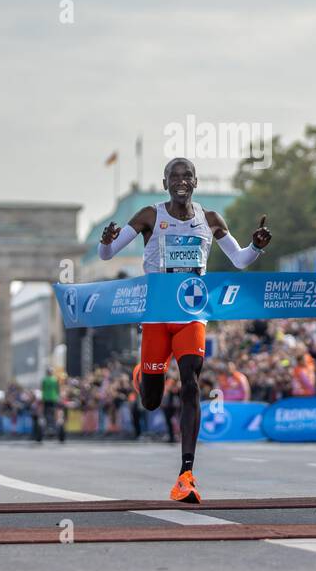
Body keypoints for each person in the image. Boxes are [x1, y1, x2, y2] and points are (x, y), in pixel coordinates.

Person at [98, 157, 271, 502]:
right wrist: (106, 241)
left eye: (186, 176)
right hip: (157, 316)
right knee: (150, 401)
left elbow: (239, 260)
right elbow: (107, 254)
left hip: (192, 312)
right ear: (165, 184)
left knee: (191, 382)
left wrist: (256, 247)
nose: (181, 181)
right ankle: (144, 374)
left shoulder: (210, 219)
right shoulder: (150, 215)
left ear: (195, 182)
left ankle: (186, 474)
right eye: (174, 176)